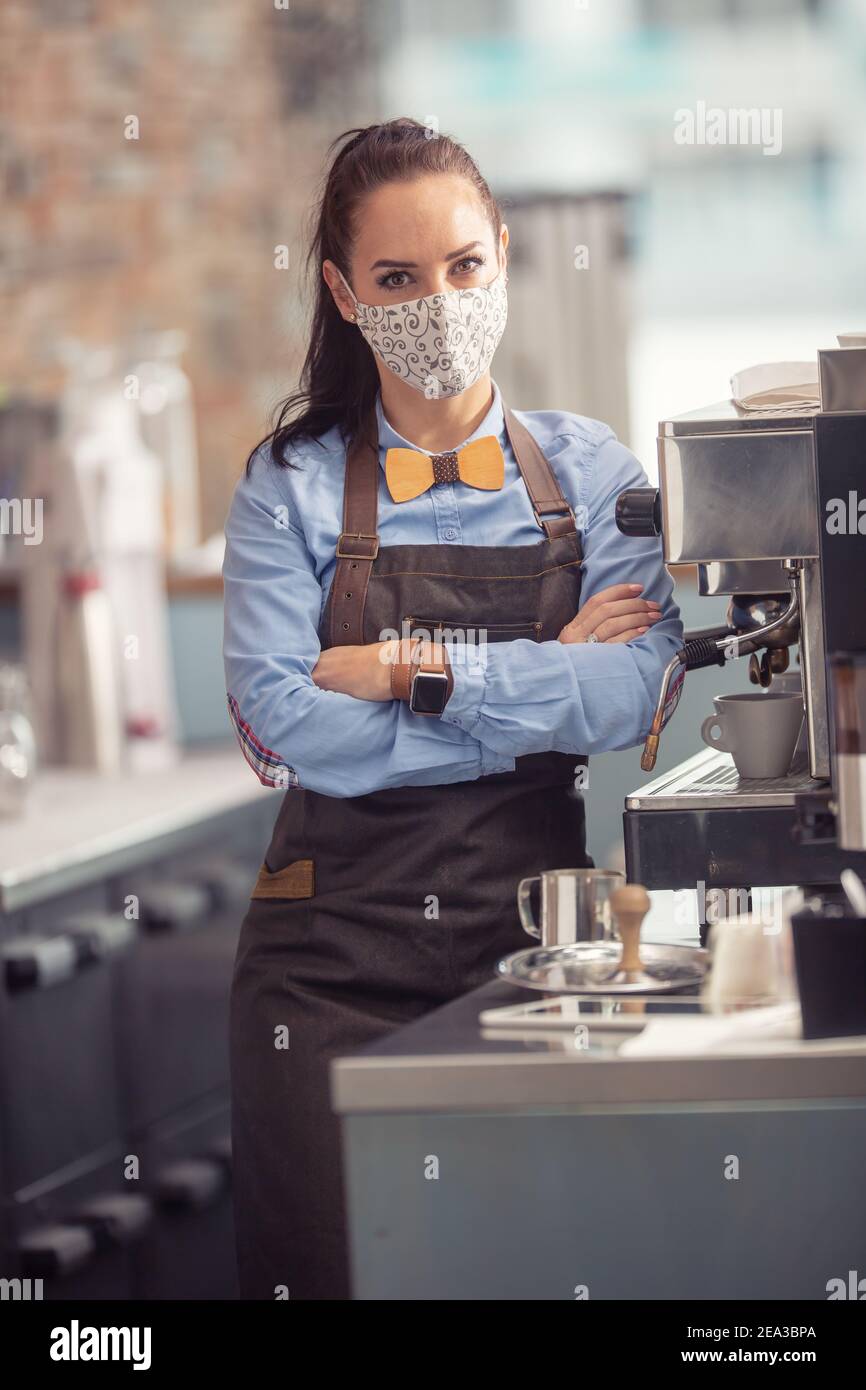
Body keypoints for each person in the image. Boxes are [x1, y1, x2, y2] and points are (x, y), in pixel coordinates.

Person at [223, 117, 683, 1300]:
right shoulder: (288, 485)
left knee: (522, 1274)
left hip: (530, 961)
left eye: (462, 266)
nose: (438, 300)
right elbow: (281, 719)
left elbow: (631, 691)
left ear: (505, 258)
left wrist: (406, 670)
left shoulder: (591, 477)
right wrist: (541, 670)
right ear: (342, 291)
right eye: (396, 278)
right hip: (325, 972)